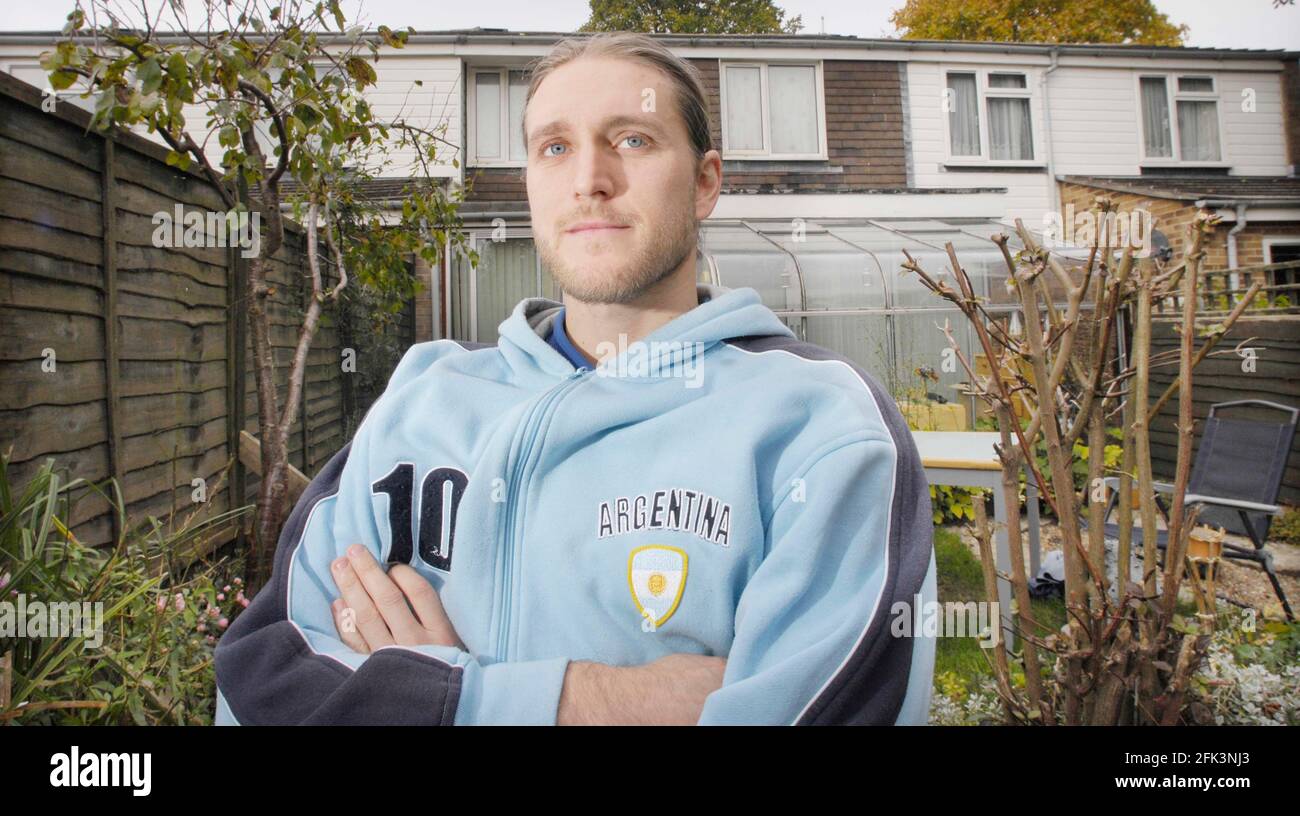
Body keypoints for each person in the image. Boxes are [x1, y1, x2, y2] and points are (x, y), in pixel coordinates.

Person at [214, 31, 937, 725]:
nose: (590, 181)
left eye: (632, 140)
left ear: (705, 183)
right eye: (555, 147)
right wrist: (587, 702)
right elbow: (261, 680)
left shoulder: (820, 426)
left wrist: (406, 693)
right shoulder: (423, 396)